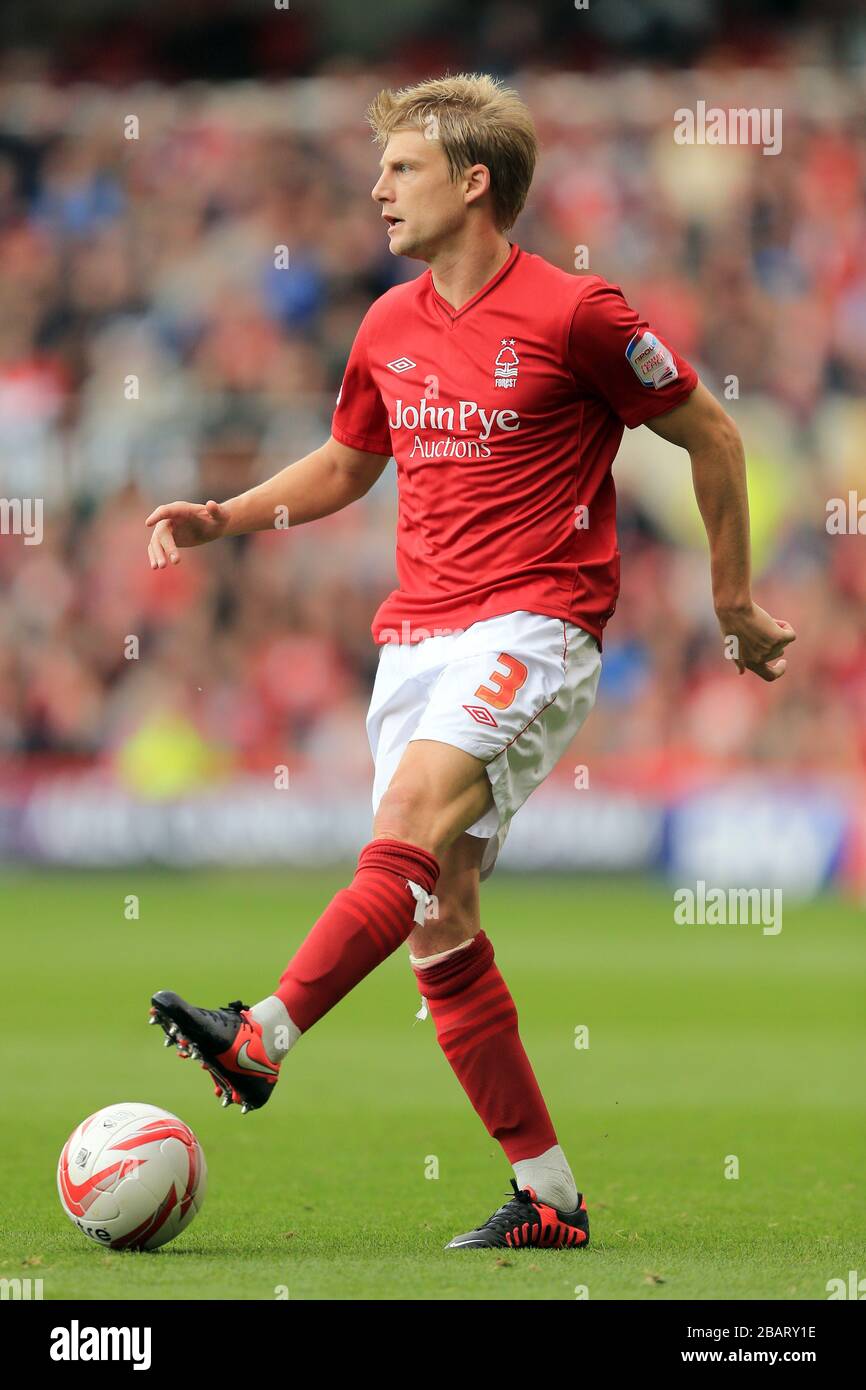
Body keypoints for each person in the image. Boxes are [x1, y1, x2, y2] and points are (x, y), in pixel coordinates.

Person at [145, 73, 795, 1250]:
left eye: (401, 168)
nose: (377, 189)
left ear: (473, 180)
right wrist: (229, 514)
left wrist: (733, 602)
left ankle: (263, 1037)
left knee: (404, 815)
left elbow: (712, 431)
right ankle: (548, 1199)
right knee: (437, 916)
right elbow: (350, 464)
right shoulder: (387, 322)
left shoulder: (579, 314)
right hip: (415, 639)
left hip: (534, 623)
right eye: (381, 169)